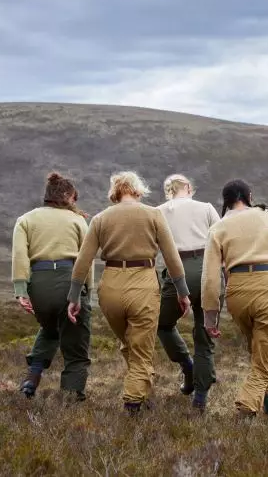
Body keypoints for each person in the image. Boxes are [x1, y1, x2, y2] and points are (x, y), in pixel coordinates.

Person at [66, 171, 190, 414]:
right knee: (141, 350)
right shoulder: (153, 215)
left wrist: (73, 296)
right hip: (143, 283)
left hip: (111, 286)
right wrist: (182, 292)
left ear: (115, 191)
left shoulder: (101, 219)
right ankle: (132, 405)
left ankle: (145, 394)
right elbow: (172, 257)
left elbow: (83, 260)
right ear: (137, 189)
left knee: (129, 343)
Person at [201, 179, 268, 419]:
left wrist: (210, 317)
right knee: (265, 356)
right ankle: (245, 408)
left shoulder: (218, 227)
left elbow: (211, 278)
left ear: (226, 201)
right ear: (249, 196)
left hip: (237, 291)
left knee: (258, 351)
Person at [11, 172, 94, 401]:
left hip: (38, 285)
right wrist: (86, 290)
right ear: (67, 196)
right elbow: (86, 260)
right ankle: (70, 397)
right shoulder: (77, 220)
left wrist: (20, 291)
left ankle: (32, 377)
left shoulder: (25, 220)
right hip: (69, 282)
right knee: (76, 344)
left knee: (50, 330)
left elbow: (20, 256)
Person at [155, 174, 225, 411]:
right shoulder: (205, 208)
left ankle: (187, 365)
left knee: (162, 323)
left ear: (168, 190)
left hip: (177, 271)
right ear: (187, 187)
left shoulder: (159, 211)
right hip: (208, 269)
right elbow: (221, 238)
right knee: (204, 335)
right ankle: (201, 398)